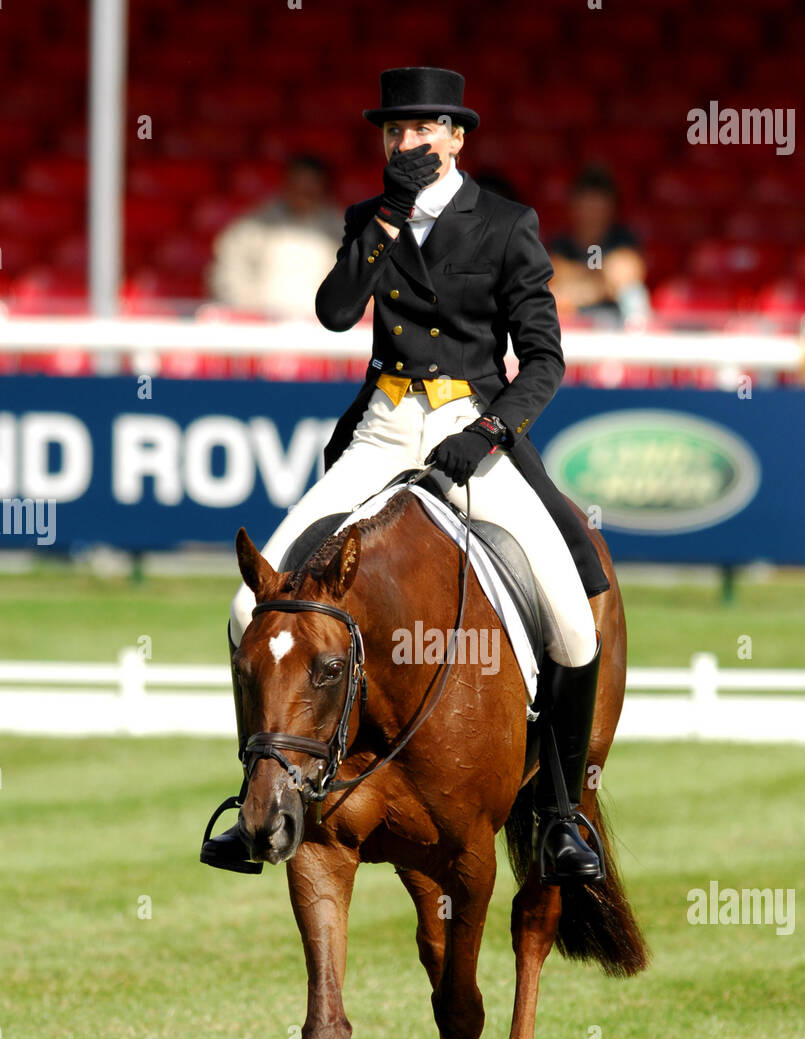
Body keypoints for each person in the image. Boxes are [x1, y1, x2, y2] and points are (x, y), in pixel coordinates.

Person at [201, 67, 610, 881]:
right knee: (250, 600)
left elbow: (544, 359)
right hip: (384, 430)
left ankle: (562, 816)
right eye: (393, 132)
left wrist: (493, 431)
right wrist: (386, 216)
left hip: (470, 426)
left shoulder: (505, 223)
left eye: (422, 130)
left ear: (456, 138)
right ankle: (261, 789)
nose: (405, 143)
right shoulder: (369, 217)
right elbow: (332, 309)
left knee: (572, 617)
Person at [208, 154, 342, 318]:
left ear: (323, 188)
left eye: (309, 190)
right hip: (261, 329)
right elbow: (227, 275)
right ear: (286, 185)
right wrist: (252, 313)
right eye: (297, 187)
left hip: (325, 330)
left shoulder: (342, 229)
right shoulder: (252, 227)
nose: (303, 195)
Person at [548, 165, 650, 327]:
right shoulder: (560, 244)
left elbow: (626, 273)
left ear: (611, 208)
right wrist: (601, 282)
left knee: (634, 295)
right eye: (588, 206)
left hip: (615, 326)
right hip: (572, 329)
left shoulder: (623, 239)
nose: (593, 215)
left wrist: (575, 285)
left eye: (599, 207)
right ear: (574, 207)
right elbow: (552, 284)